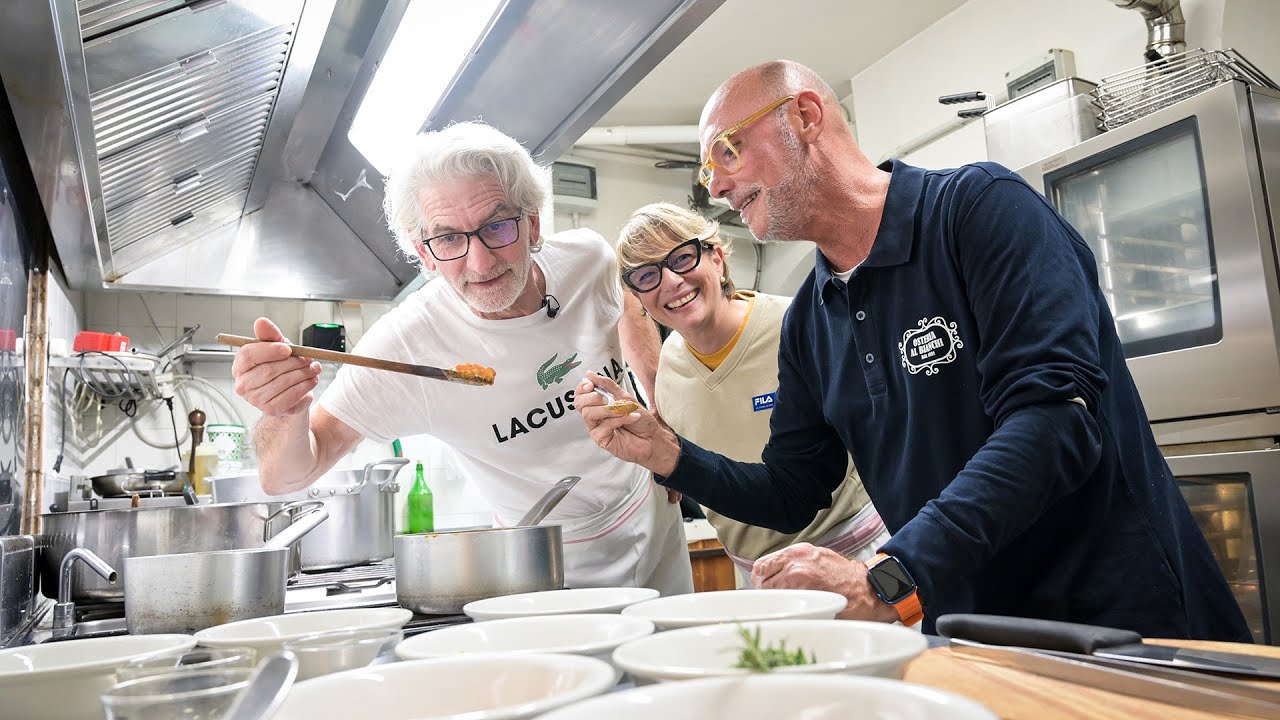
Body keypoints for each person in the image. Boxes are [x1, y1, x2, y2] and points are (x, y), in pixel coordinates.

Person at [577, 60, 1250, 640]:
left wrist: (893, 572)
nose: (717, 186)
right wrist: (670, 456)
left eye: (729, 150)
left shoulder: (979, 212)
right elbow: (792, 491)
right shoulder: (814, 319)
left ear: (806, 116)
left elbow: (1054, 421)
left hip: (1117, 618)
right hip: (967, 632)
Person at [233, 121, 692, 595]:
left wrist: (662, 411)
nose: (480, 263)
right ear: (423, 253)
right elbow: (285, 477)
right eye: (449, 239)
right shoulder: (407, 346)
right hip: (547, 563)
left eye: (496, 226)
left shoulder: (587, 258)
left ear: (532, 223)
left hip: (654, 515)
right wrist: (285, 411)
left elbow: (627, 306)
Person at [615, 202, 889, 585]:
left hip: (852, 559)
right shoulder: (668, 374)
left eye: (682, 258)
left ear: (717, 257)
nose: (671, 282)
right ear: (638, 297)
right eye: (647, 275)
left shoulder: (797, 325)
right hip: (754, 579)